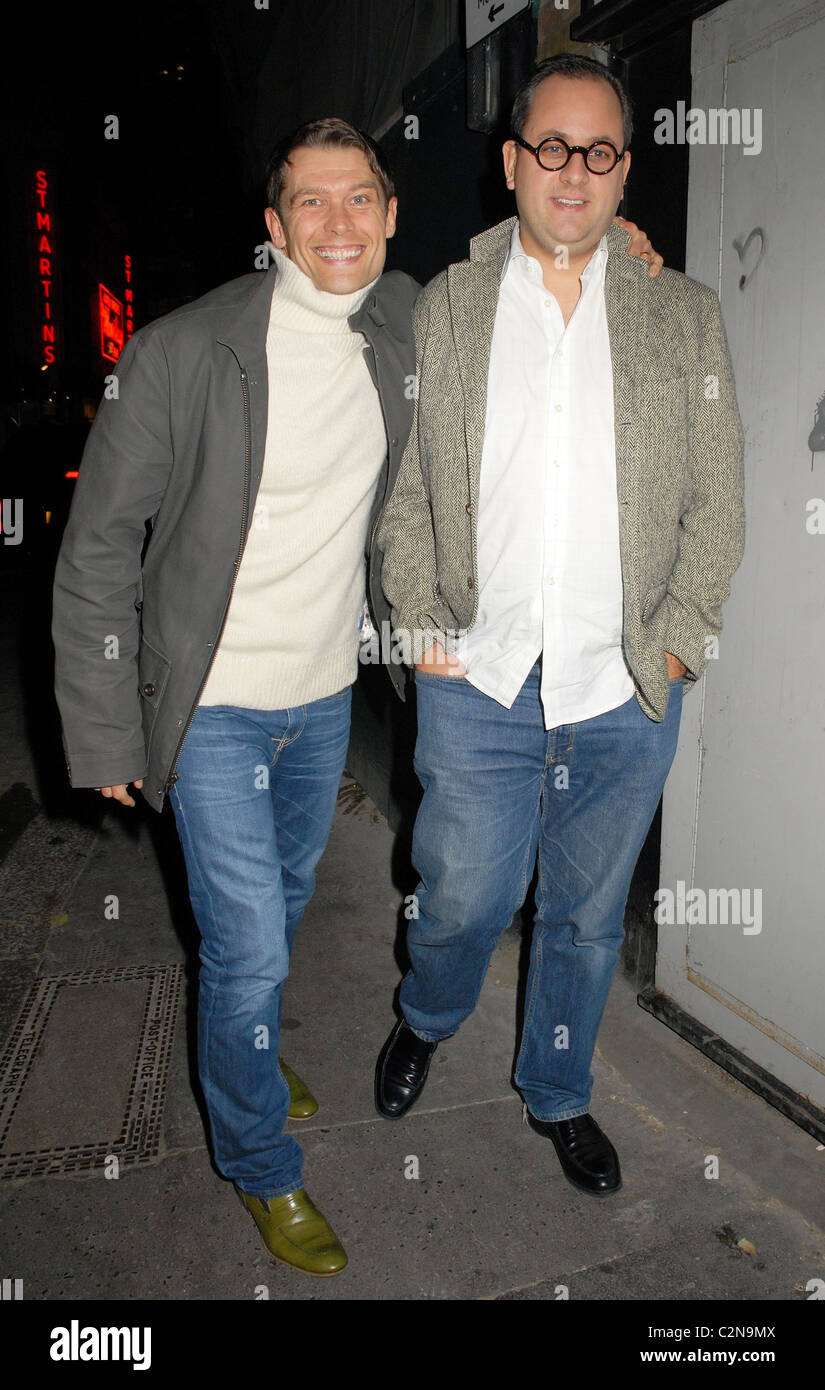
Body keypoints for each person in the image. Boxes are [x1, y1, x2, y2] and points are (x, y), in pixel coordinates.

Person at [51, 112, 662, 1277]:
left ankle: (249, 1041)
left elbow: (522, 264)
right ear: (274, 227)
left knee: (272, 917)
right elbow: (94, 551)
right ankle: (261, 1164)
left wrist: (607, 230)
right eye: (311, 205)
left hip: (324, 693)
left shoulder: (402, 318)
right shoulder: (184, 352)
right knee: (245, 952)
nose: (339, 224)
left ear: (390, 216)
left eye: (360, 201)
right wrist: (103, 720)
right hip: (210, 705)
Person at [375, 56, 745, 1200]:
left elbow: (717, 505)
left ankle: (558, 1091)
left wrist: (678, 641)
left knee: (583, 919)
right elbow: (409, 501)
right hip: (477, 677)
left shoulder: (681, 314)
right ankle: (429, 1010)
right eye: (551, 147)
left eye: (597, 151)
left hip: (623, 687)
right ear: (511, 162)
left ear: (624, 170)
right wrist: (424, 620)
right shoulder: (450, 304)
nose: (572, 171)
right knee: (464, 894)